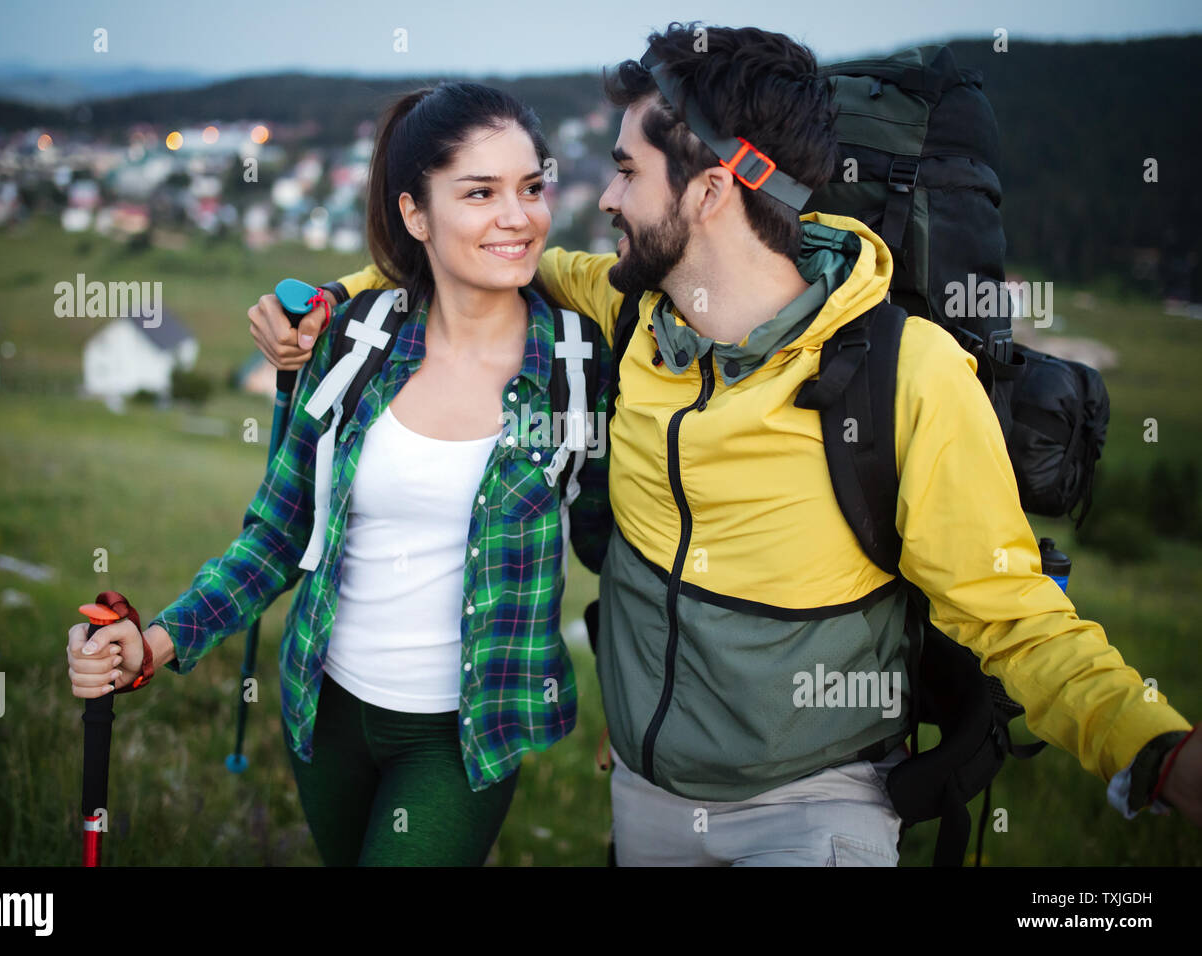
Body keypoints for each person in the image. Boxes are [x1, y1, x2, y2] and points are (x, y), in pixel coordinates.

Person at [252, 23, 1202, 866]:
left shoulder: (906, 376)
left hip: (815, 810)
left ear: (712, 187)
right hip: (646, 798)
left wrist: (1161, 753)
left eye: (627, 171)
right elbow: (482, 256)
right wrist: (329, 301)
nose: (606, 199)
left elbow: (1016, 614)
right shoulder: (630, 305)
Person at [65, 81, 613, 866]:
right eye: (480, 192)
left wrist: (644, 717)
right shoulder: (355, 342)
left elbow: (618, 548)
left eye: (531, 188)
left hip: (467, 734)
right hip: (326, 714)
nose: (518, 216)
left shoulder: (577, 364)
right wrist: (150, 644)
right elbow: (281, 534)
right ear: (415, 215)